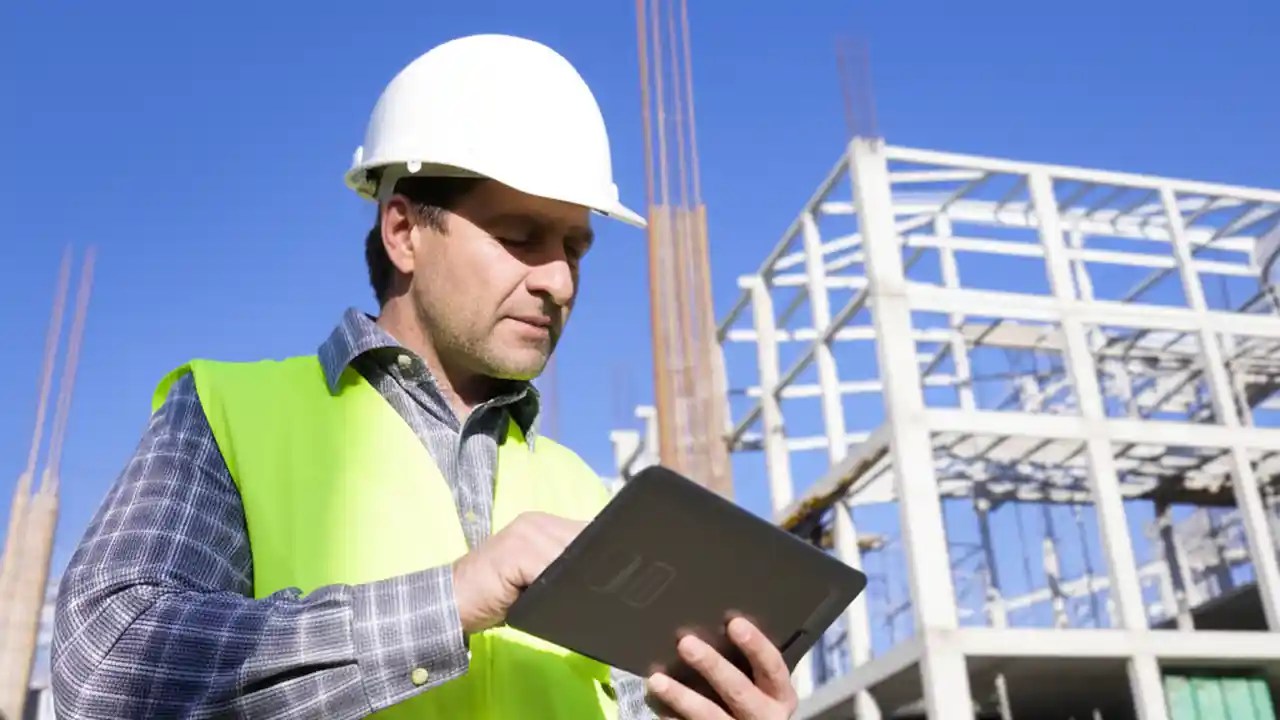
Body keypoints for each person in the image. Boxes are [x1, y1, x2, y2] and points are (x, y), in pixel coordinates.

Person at [50, 34, 800, 720]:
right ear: (404, 231)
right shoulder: (229, 414)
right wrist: (453, 599)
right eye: (520, 237)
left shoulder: (587, 495)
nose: (560, 283)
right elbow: (108, 665)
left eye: (575, 248)